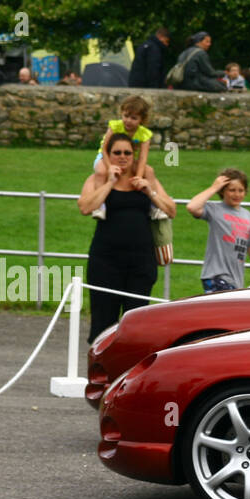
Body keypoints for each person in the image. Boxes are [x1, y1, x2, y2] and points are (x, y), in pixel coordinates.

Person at [78, 133, 176, 342]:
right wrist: (109, 183)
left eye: (127, 153)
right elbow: (85, 207)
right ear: (109, 155)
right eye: (117, 153)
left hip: (140, 261)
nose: (122, 157)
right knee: (103, 323)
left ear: (134, 154)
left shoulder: (146, 175)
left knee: (136, 323)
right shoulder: (99, 177)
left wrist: (150, 191)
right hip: (106, 261)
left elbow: (172, 209)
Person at [187, 169, 250, 293]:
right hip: (216, 277)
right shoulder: (214, 210)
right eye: (232, 190)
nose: (237, 194)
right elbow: (192, 206)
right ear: (222, 191)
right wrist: (214, 188)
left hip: (236, 280)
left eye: (241, 190)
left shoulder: (247, 215)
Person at [90, 96, 156, 220]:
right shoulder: (115, 126)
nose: (128, 121)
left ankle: (154, 206)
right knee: (100, 171)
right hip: (107, 156)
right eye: (125, 116)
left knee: (149, 171)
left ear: (142, 119)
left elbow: (142, 158)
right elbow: (104, 149)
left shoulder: (144, 134)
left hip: (128, 159)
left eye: (133, 118)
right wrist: (110, 168)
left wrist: (139, 176)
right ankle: (99, 206)